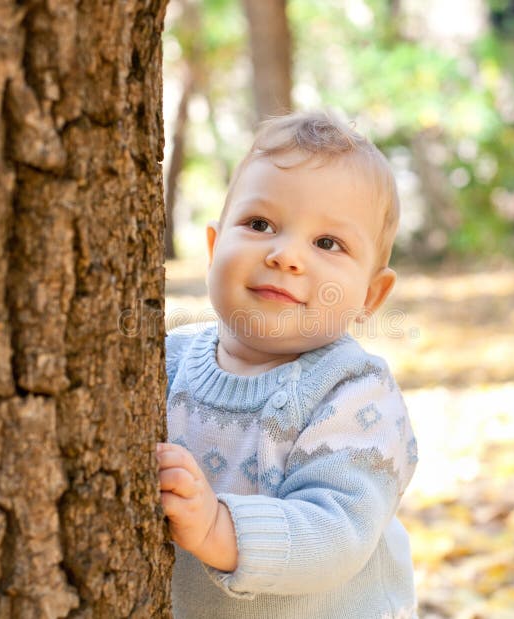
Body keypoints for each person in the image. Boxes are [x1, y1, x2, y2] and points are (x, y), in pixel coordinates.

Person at [158, 110, 418, 618]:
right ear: (213, 249)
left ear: (371, 294)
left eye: (327, 243)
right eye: (259, 224)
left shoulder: (353, 392)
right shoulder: (167, 360)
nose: (286, 255)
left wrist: (218, 528)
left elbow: (339, 531)